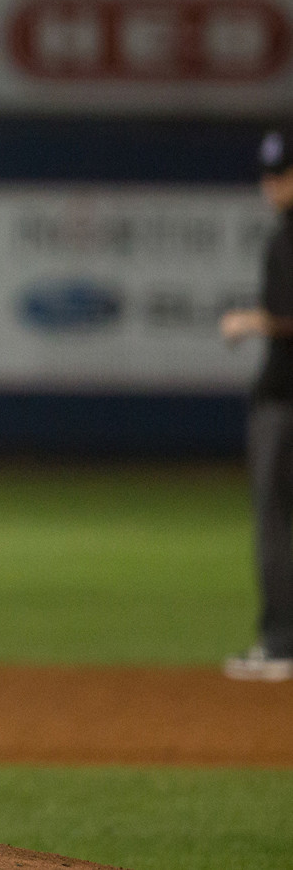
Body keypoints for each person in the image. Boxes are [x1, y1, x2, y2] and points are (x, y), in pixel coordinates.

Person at [218, 130, 293, 683]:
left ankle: (280, 641)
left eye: (281, 174)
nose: (271, 184)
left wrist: (250, 321)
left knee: (276, 523)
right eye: (269, 174)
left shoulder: (285, 240)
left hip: (284, 398)